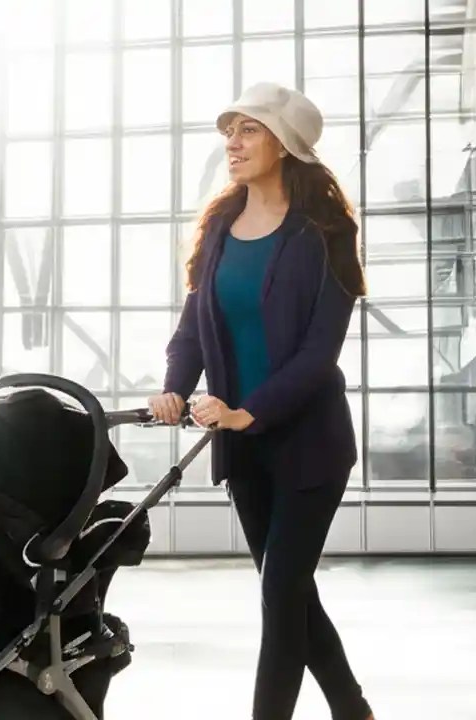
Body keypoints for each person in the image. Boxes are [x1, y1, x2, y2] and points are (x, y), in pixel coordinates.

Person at [147, 82, 373, 720]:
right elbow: (195, 327)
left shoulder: (326, 232)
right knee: (292, 597)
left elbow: (318, 352)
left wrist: (251, 410)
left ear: (285, 144)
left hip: (310, 444)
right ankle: (353, 711)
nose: (233, 142)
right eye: (231, 129)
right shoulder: (219, 226)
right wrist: (174, 386)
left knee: (281, 597)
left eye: (249, 129)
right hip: (244, 450)